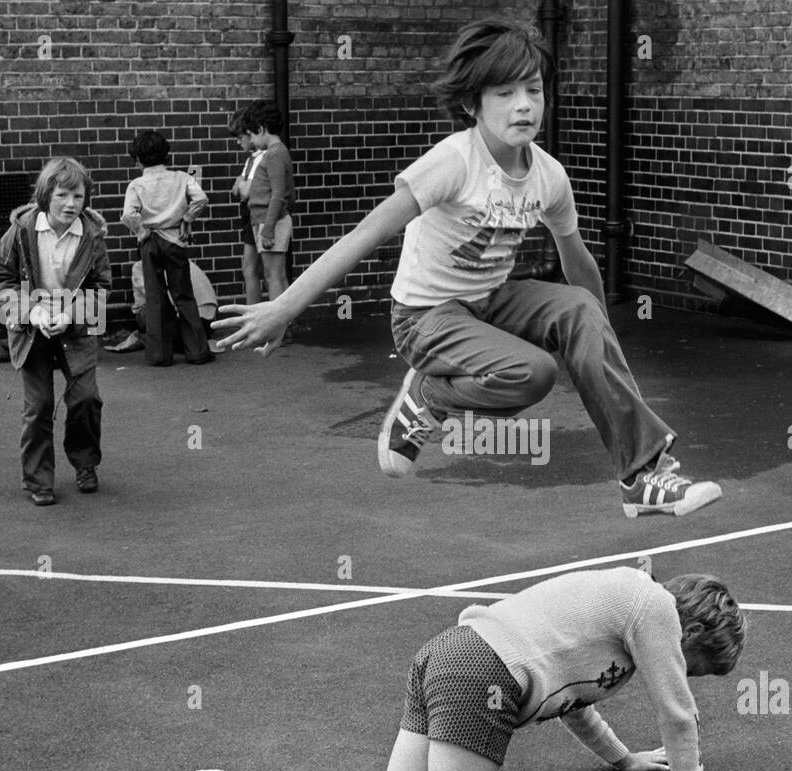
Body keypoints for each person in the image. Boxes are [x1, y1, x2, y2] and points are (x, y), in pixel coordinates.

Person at [214, 19, 721, 518]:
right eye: (504, 93)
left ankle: (642, 476)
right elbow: (362, 237)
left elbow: (578, 260)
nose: (524, 104)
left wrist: (600, 343)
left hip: (489, 303)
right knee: (534, 373)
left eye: (534, 90)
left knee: (582, 310)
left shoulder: (549, 175)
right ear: (472, 103)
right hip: (425, 318)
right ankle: (428, 392)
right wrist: (282, 307)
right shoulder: (453, 162)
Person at [192, 566, 746, 771]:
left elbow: (572, 701)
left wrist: (623, 759)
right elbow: (677, 710)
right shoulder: (653, 611)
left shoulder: (626, 612)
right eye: (698, 667)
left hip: (451, 654)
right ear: (694, 635)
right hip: (484, 677)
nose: (687, 675)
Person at [0, 157, 111, 507]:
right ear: (45, 195)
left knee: (86, 398)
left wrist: (70, 315)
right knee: (38, 406)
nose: (71, 204)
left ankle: (85, 464)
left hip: (76, 328)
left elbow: (102, 288)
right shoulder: (21, 230)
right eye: (62, 196)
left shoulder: (92, 236)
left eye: (78, 196)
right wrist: (33, 311)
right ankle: (37, 481)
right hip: (32, 329)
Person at [121, 130, 213, 366]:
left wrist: (141, 233)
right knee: (184, 294)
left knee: (155, 297)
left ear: (137, 159)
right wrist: (187, 219)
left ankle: (160, 354)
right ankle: (197, 351)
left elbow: (128, 215)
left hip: (150, 241)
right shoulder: (182, 178)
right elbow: (201, 199)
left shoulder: (136, 185)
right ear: (166, 155)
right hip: (175, 238)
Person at [106, 261, 219, 354]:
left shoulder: (142, 266)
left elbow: (155, 300)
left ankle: (147, 339)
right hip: (209, 324)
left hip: (183, 326)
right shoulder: (183, 261)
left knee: (144, 314)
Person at [245, 102, 295, 302]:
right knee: (277, 274)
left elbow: (278, 194)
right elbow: (287, 193)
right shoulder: (279, 151)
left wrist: (268, 229)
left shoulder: (273, 154)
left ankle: (277, 328)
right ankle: (284, 325)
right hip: (269, 220)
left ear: (261, 128)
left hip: (270, 221)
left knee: (273, 275)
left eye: (252, 135)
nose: (252, 140)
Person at [230, 102, 266, 307]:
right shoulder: (250, 160)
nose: (238, 142)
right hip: (249, 217)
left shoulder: (262, 158)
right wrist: (241, 184)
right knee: (249, 268)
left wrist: (242, 184)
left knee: (270, 272)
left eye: (240, 137)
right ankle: (252, 313)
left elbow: (244, 190)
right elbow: (236, 189)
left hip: (260, 216)